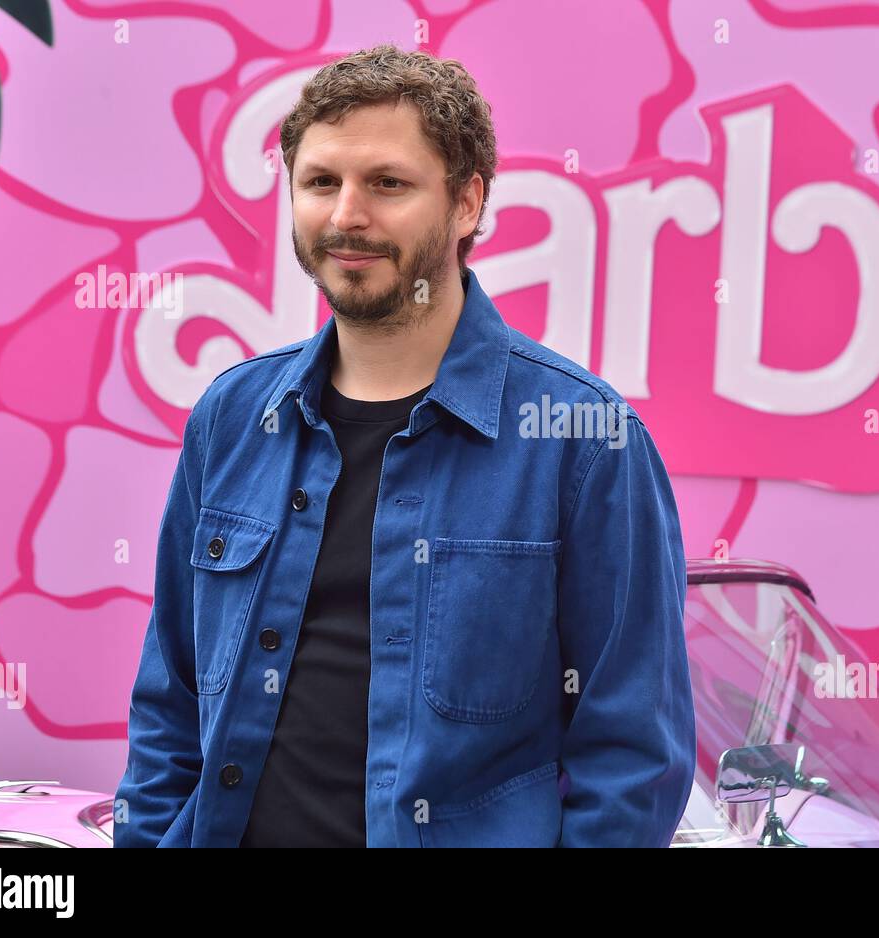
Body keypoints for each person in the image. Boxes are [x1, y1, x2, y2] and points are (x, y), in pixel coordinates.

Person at [113, 44, 695, 847]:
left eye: (388, 183)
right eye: (321, 183)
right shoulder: (233, 416)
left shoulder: (584, 437)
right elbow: (170, 700)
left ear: (466, 204)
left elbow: (633, 758)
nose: (347, 215)